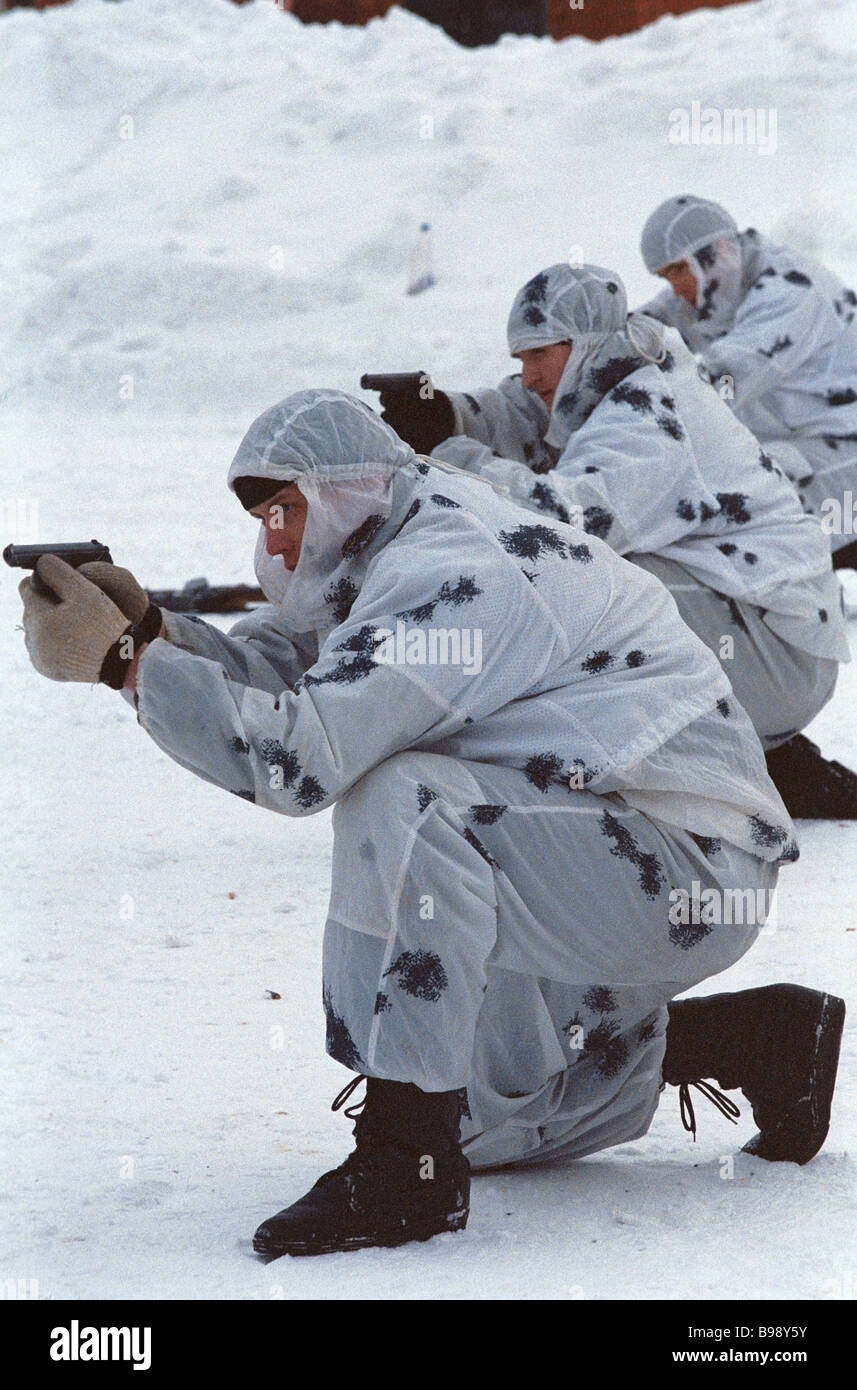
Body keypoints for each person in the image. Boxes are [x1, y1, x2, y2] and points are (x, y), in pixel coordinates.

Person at [18, 390, 844, 1259]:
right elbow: (296, 666)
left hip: (689, 860)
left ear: (347, 491)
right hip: (594, 833)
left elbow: (297, 758)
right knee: (488, 1119)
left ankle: (404, 1168)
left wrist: (125, 666)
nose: (275, 541)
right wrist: (151, 631)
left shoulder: (457, 569)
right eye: (265, 518)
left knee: (408, 802)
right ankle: (759, 1038)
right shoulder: (389, 536)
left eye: (286, 510)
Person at [380, 264, 857, 817]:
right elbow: (526, 411)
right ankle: (749, 751)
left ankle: (710, 754)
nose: (528, 374)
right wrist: (449, 413)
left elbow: (558, 523)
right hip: (758, 629)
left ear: (581, 344)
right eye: (521, 359)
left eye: (538, 355)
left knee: (581, 582)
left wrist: (452, 452)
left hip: (778, 653)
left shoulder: (649, 414)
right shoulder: (612, 377)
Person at [637, 195, 857, 568]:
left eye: (677, 270)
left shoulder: (792, 292)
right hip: (797, 445)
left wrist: (630, 414)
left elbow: (720, 383)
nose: (675, 288)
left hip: (843, 455)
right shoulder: (721, 280)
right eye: (666, 276)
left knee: (735, 515)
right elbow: (646, 333)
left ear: (714, 254)